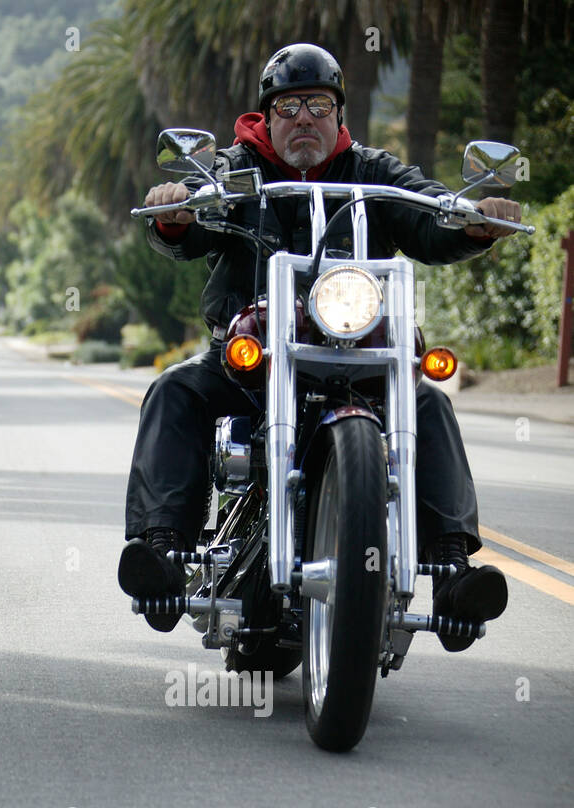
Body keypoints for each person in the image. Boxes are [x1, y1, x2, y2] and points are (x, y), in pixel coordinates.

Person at [119, 43, 522, 650]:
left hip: (356, 357)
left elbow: (428, 217)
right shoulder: (237, 170)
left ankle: (451, 573)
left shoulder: (373, 171)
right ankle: (165, 551)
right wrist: (173, 210)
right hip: (251, 360)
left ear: (338, 114)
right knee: (175, 389)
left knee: (429, 403)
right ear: (267, 116)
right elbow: (184, 231)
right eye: (288, 106)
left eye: (317, 104)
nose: (303, 118)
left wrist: (472, 219)